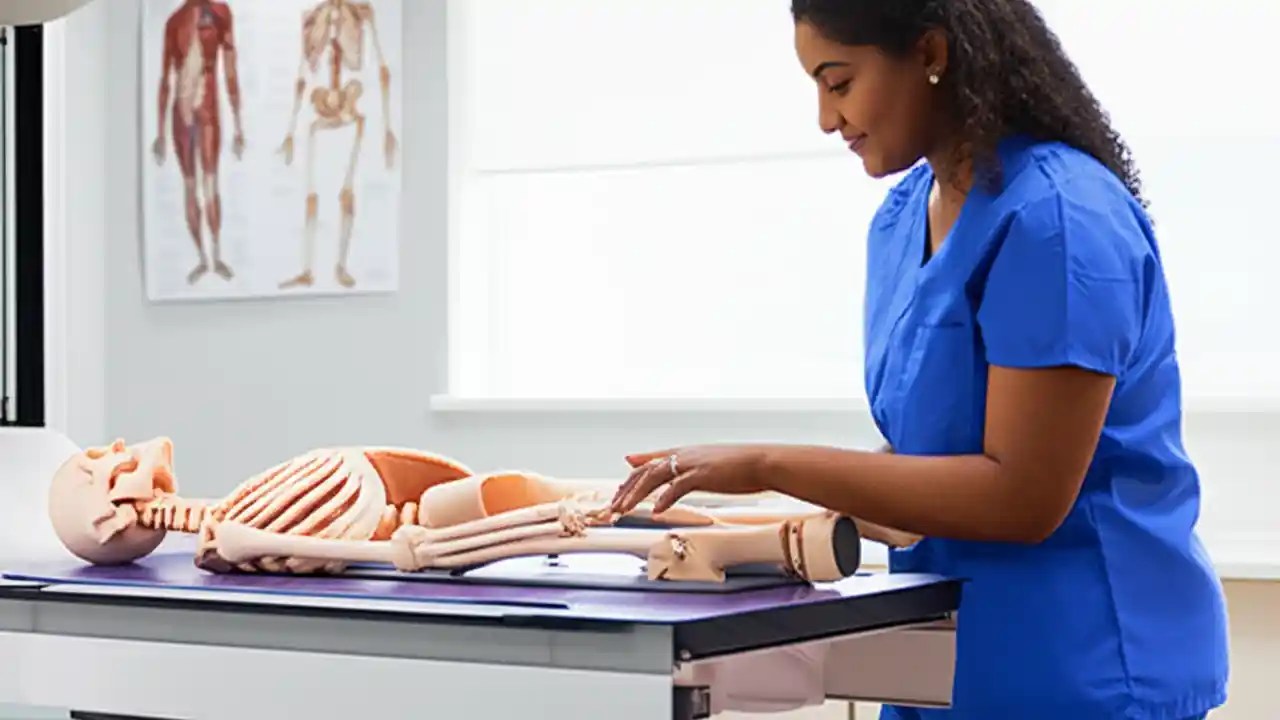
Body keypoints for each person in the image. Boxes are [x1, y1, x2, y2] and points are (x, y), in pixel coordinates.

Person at [608, 1, 1230, 718]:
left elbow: (1023, 497)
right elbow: (923, 465)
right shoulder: (903, 217)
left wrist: (767, 463)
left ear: (932, 54)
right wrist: (730, 521)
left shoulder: (1058, 218)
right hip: (940, 664)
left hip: (1086, 668)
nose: (826, 118)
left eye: (839, 83)